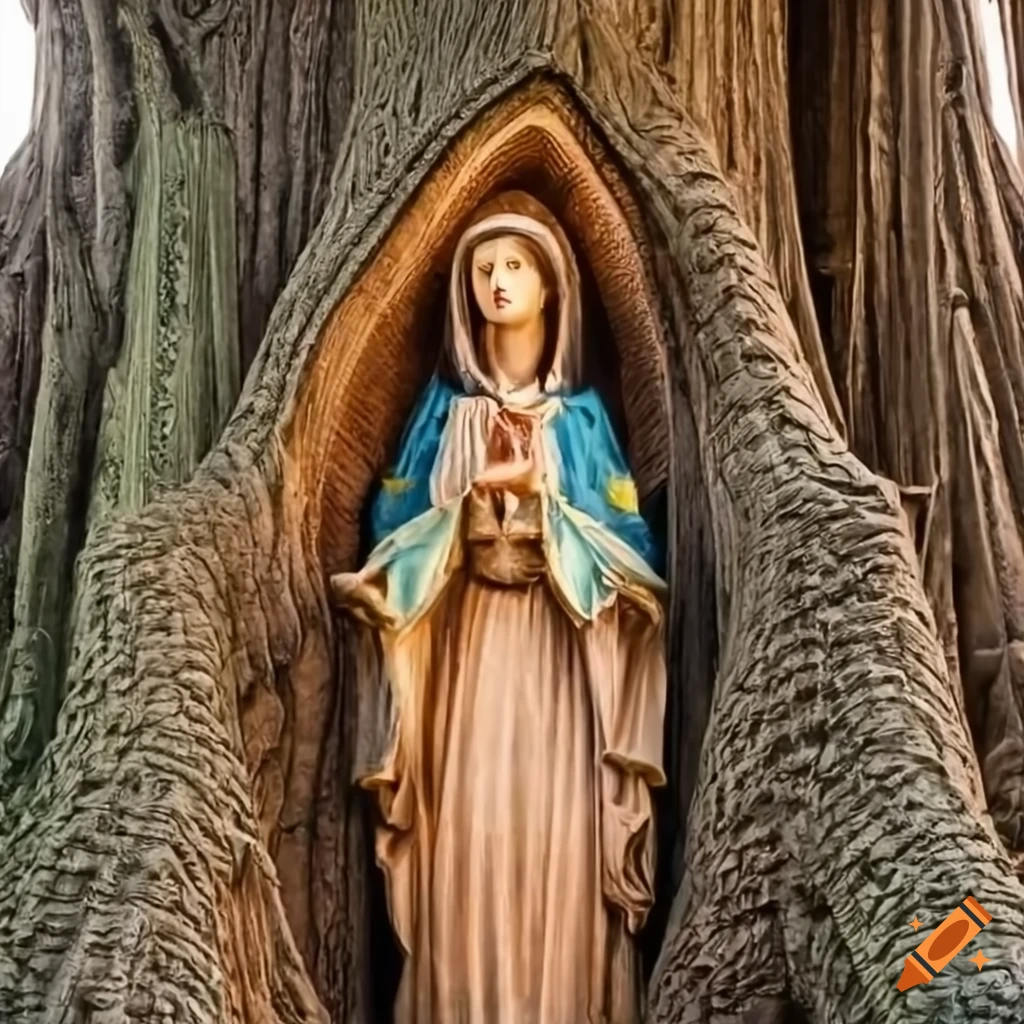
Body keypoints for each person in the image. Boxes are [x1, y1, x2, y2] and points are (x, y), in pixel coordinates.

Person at [332, 190, 667, 1024]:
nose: (498, 281)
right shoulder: (440, 416)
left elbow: (635, 558)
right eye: (483, 267)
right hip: (464, 664)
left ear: (553, 286)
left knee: (557, 847)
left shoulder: (585, 424)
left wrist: (548, 513)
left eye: (516, 265)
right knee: (469, 842)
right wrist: (467, 516)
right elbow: (389, 529)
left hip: (562, 667)